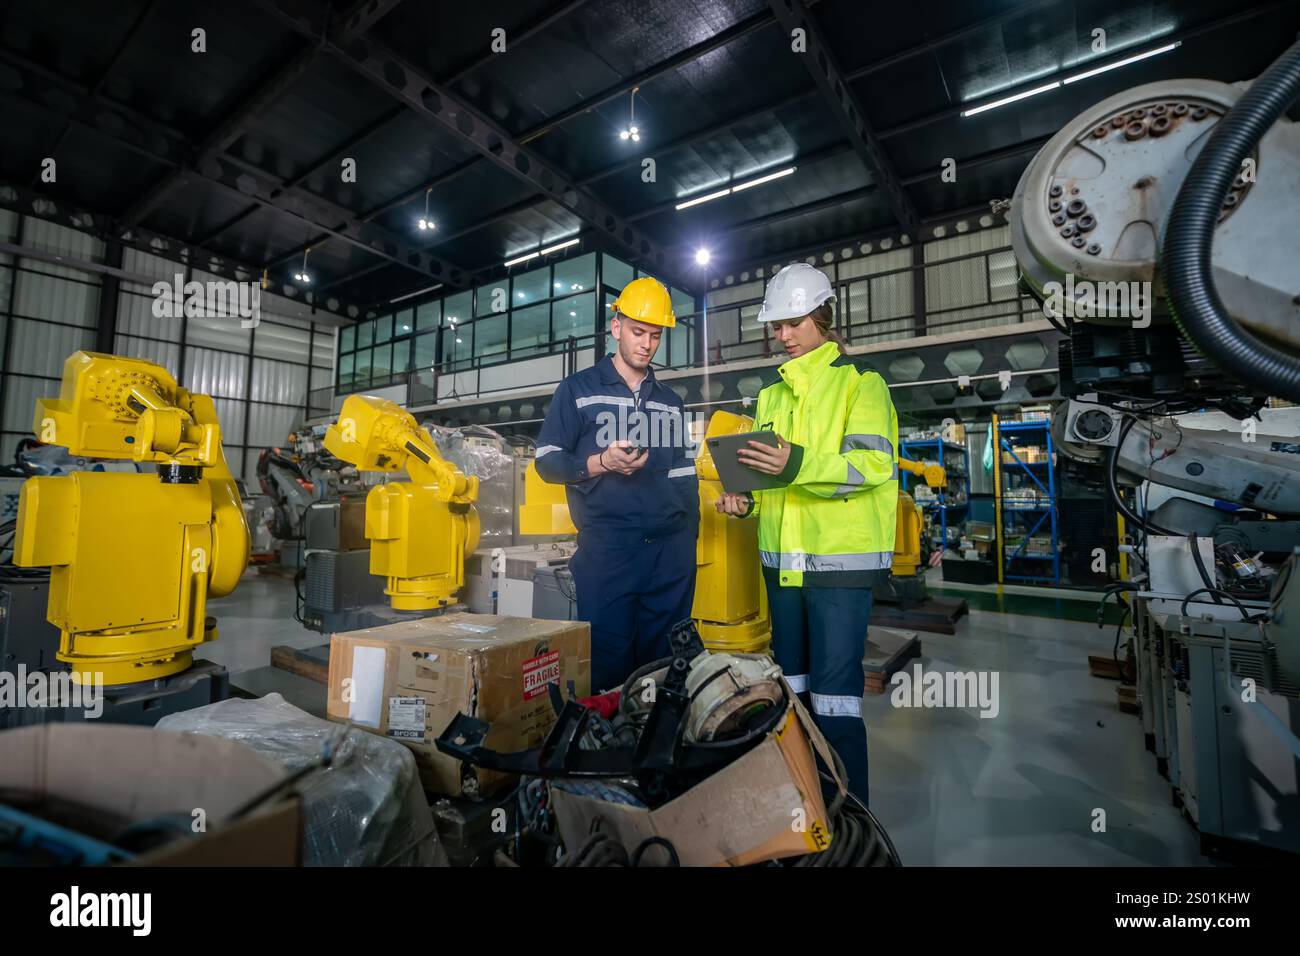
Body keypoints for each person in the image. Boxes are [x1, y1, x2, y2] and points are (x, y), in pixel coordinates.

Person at [716, 262, 898, 805]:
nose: (784, 335)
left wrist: (792, 464)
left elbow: (870, 465)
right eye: (777, 325)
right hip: (783, 571)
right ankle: (804, 807)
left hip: (840, 572)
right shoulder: (770, 398)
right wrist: (743, 501)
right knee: (790, 695)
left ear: (823, 317)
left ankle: (852, 821)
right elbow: (769, 485)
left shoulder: (861, 386)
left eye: (794, 322)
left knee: (835, 701)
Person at [535, 277, 699, 692]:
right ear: (617, 328)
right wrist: (599, 462)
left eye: (655, 335)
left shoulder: (670, 401)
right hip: (608, 551)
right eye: (638, 332)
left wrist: (689, 544)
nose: (646, 344)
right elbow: (547, 463)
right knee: (608, 666)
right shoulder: (578, 390)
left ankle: (655, 747)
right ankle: (612, 750)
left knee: (665, 668)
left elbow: (684, 475)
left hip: (670, 552)